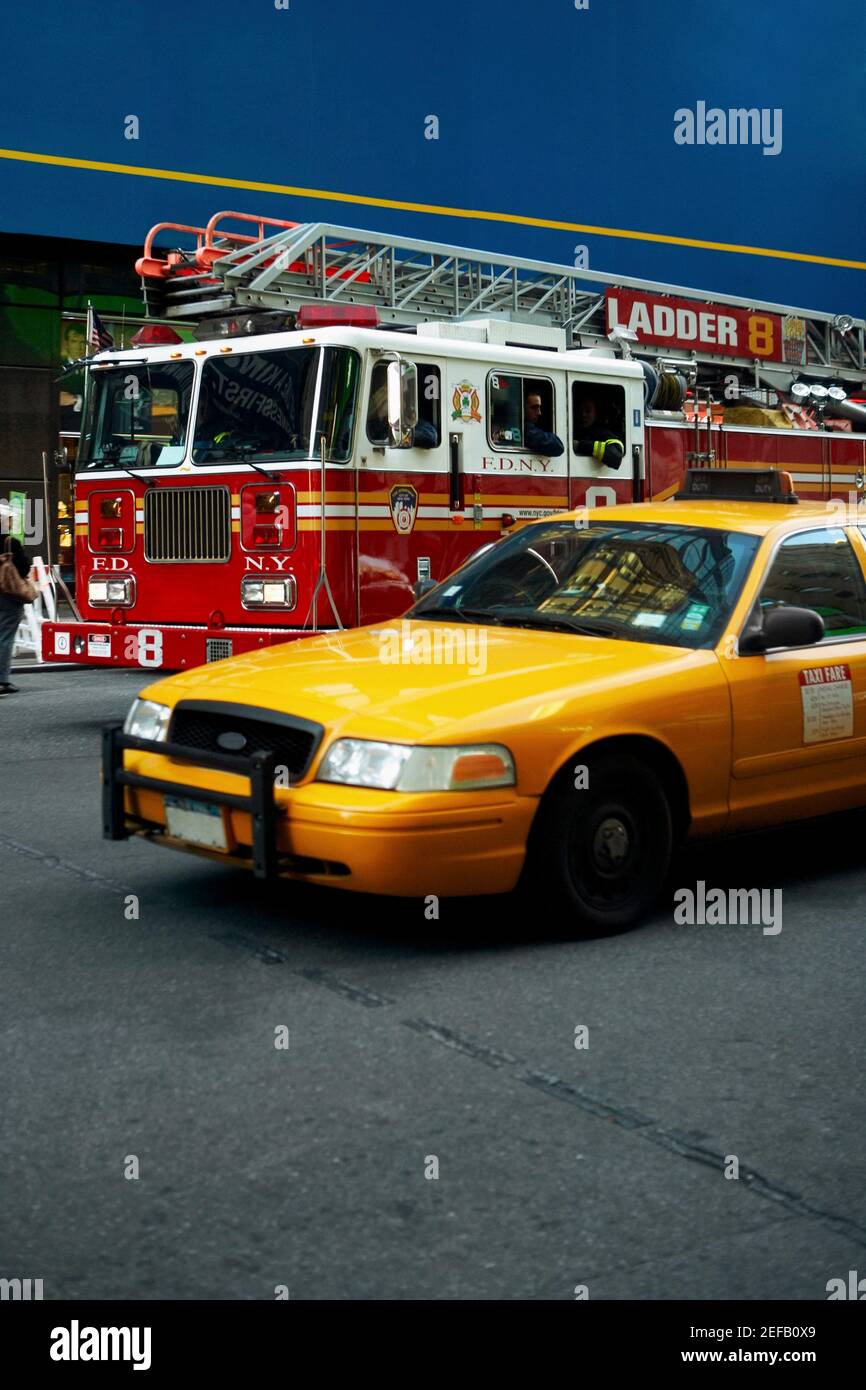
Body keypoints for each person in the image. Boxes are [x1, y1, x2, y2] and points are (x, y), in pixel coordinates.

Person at [0, 525, 33, 696]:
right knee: (5, 637)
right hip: (8, 595)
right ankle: (2, 680)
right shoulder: (10, 543)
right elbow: (24, 568)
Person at [574, 396, 624, 468]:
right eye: (580, 411)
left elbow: (615, 456)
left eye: (588, 411)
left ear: (596, 414)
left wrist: (580, 446)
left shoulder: (603, 433)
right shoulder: (576, 432)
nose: (583, 415)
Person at [524, 391, 564, 456]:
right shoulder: (525, 430)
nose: (539, 413)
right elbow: (558, 446)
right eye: (534, 407)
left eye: (539, 408)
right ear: (522, 408)